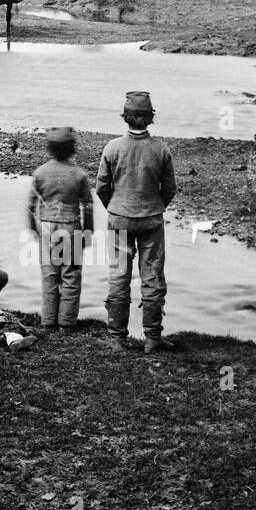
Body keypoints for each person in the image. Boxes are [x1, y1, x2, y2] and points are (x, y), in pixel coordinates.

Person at [96, 91, 178, 354]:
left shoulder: (112, 147)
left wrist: (116, 207)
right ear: (150, 118)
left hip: (119, 217)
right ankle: (152, 338)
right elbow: (170, 188)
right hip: (151, 218)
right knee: (152, 274)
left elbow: (101, 187)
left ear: (125, 117)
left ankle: (117, 338)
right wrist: (155, 208)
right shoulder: (161, 149)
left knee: (119, 274)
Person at [28, 127, 95, 332]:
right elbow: (88, 205)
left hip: (47, 226)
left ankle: (48, 321)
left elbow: (30, 205)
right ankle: (66, 323)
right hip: (71, 225)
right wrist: (88, 230)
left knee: (49, 274)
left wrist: (33, 228)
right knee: (71, 275)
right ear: (72, 149)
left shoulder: (40, 173)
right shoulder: (79, 174)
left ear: (49, 149)